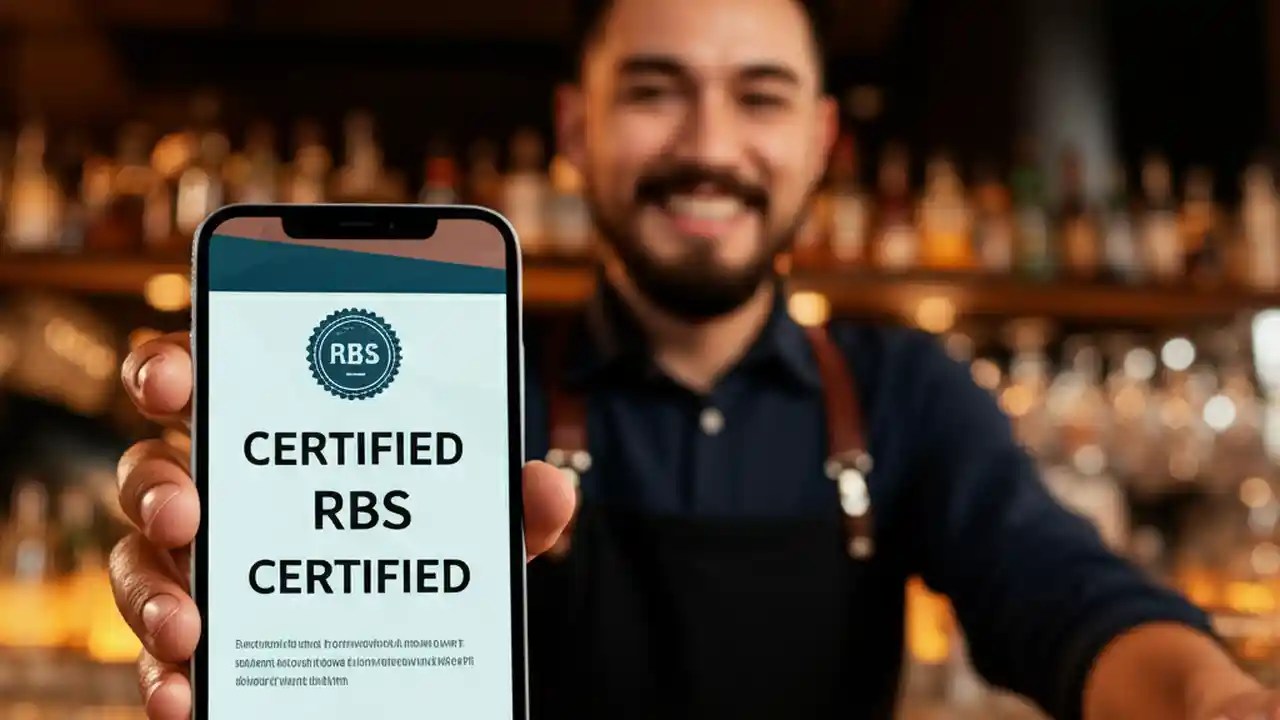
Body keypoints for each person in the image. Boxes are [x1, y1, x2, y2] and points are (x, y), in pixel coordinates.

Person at [109, 0, 1279, 718]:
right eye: (656, 93)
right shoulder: (450, 376)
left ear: (819, 141)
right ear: (576, 130)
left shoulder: (901, 393)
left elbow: (1066, 599)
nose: (708, 147)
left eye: (758, 98)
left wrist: (1215, 701)